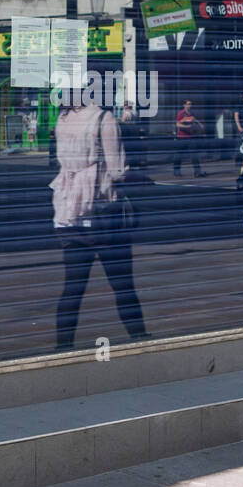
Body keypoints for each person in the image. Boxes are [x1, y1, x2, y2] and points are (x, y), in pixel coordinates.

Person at [49, 100, 150, 351]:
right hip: (101, 213)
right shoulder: (104, 119)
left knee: (72, 288)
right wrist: (141, 177)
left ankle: (62, 349)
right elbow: (117, 171)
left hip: (69, 211)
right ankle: (140, 340)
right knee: (123, 286)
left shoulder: (64, 118)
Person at [174, 99, 207, 176]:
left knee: (194, 155)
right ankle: (176, 171)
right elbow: (178, 124)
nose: (190, 105)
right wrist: (188, 126)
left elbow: (194, 119)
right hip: (181, 137)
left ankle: (197, 172)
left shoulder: (191, 113)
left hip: (190, 137)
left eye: (190, 104)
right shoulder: (181, 113)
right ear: (184, 105)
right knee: (179, 155)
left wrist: (200, 124)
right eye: (188, 104)